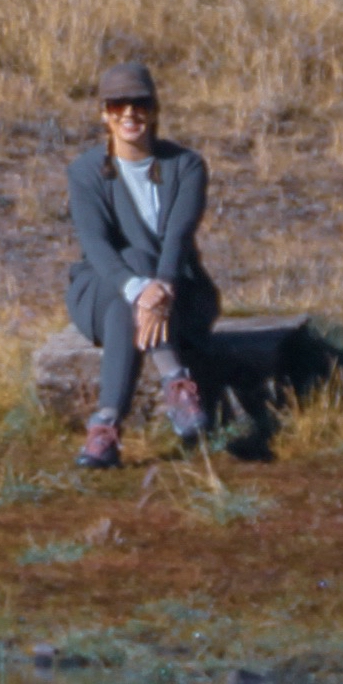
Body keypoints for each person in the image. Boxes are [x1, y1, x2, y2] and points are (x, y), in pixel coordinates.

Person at [64, 60, 219, 467]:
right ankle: (177, 383)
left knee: (134, 283)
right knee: (129, 269)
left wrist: (161, 288)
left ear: (154, 110)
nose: (130, 113)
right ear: (104, 113)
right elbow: (96, 245)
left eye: (140, 103)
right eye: (118, 104)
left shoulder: (186, 166)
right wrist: (141, 289)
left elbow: (178, 237)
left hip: (180, 290)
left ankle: (104, 428)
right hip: (100, 288)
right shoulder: (84, 172)